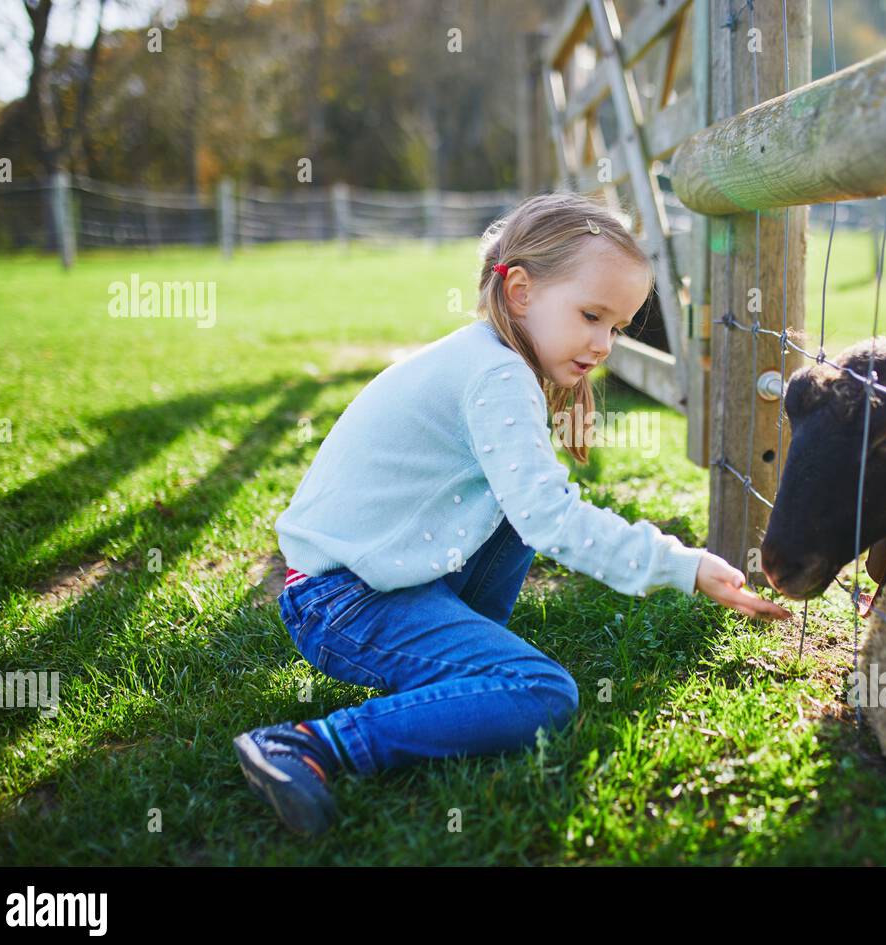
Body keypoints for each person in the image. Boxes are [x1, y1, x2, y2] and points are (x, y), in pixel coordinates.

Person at [234, 191, 790, 835]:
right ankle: (306, 743)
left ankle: (461, 670)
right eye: (591, 315)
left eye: (616, 326)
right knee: (544, 694)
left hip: (367, 579)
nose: (604, 344)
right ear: (521, 292)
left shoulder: (486, 356)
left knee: (517, 506)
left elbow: (532, 510)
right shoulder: (495, 375)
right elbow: (550, 519)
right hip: (344, 603)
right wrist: (681, 565)